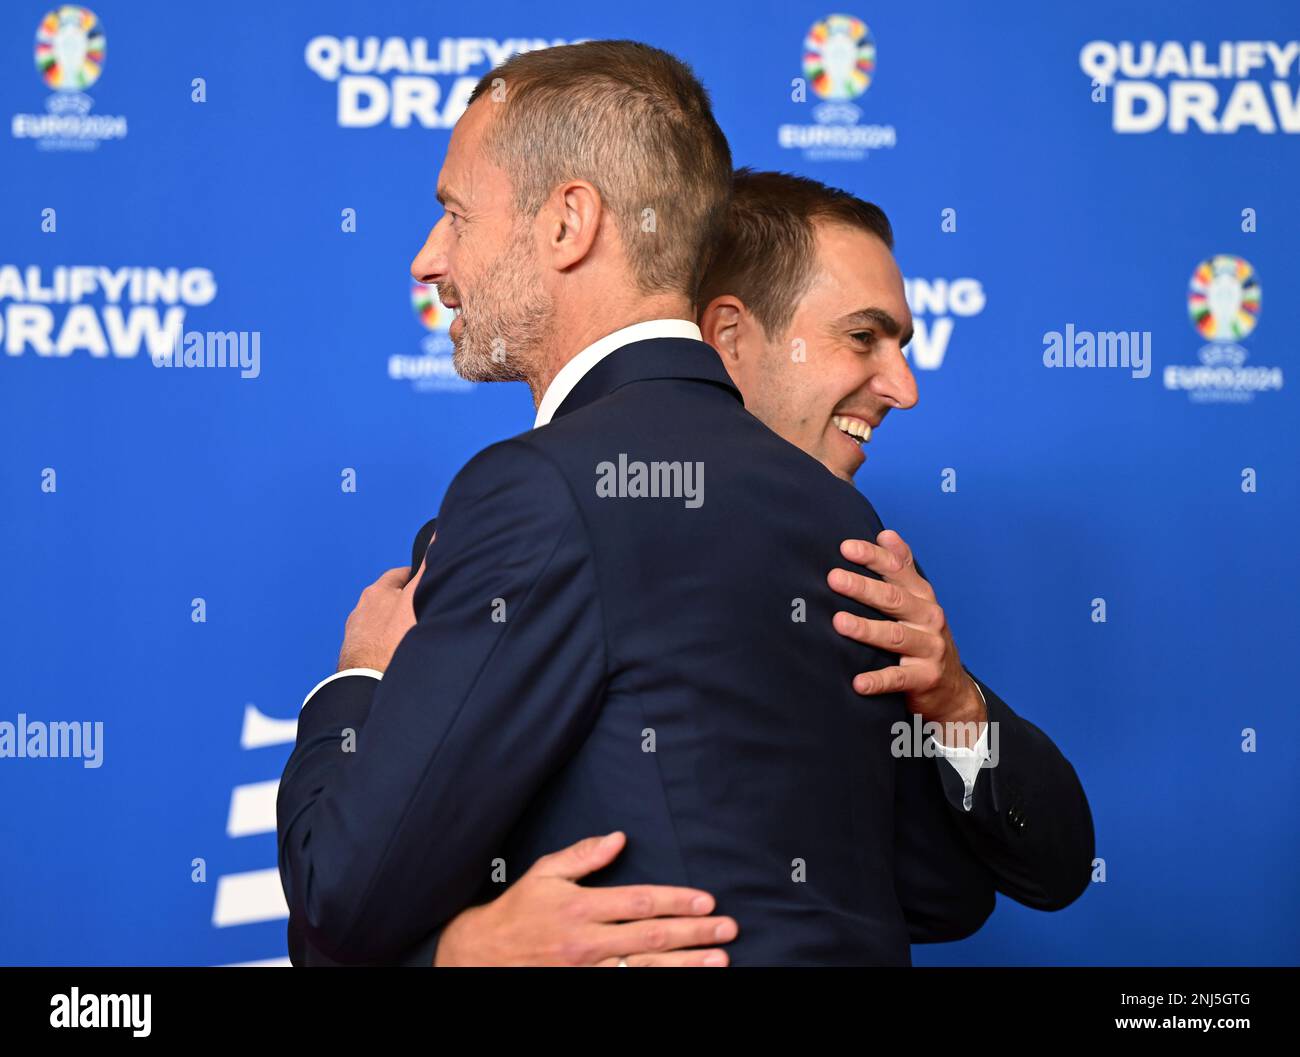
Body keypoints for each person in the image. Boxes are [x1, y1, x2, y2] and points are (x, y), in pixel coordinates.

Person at [277, 42, 1093, 967]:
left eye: (456, 215)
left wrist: (360, 682)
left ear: (568, 222)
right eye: (862, 336)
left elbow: (338, 900)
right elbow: (922, 892)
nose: (430, 259)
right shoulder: (836, 522)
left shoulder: (536, 494)